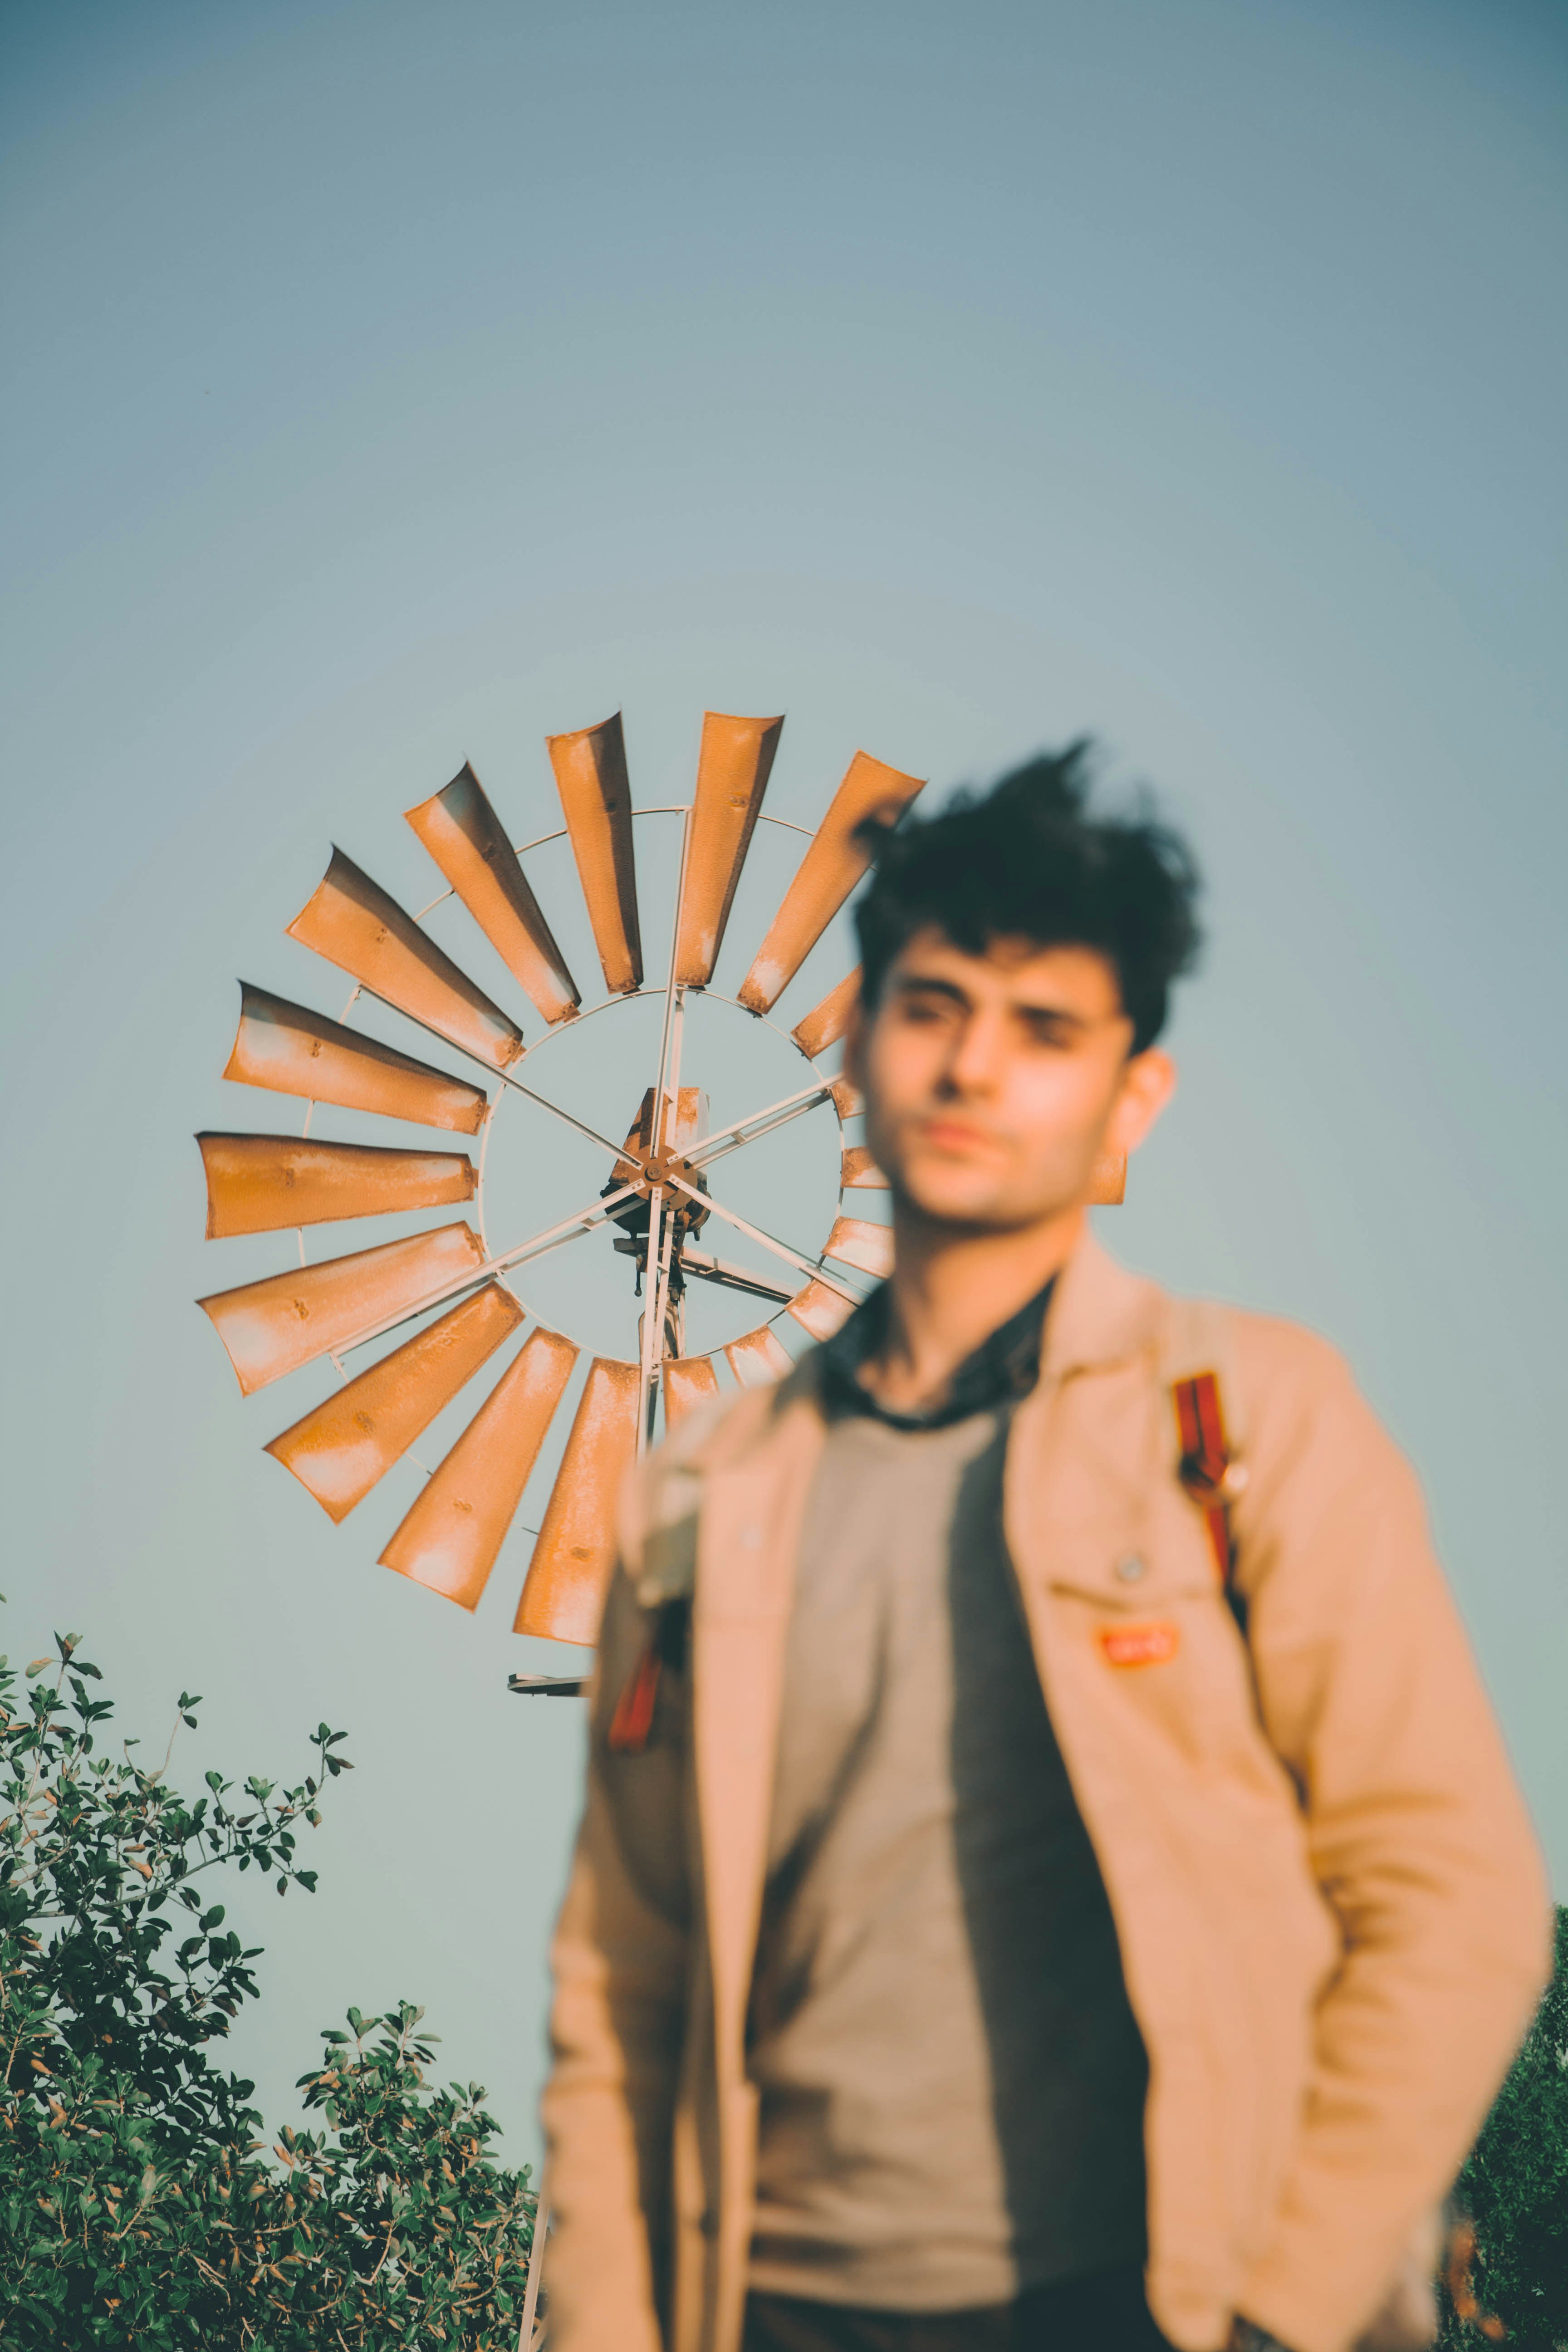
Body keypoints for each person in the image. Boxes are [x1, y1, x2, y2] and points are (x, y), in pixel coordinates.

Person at [540, 746, 1549, 2352]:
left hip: (1143, 2303)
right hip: (784, 2304)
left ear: (1131, 1095)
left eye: (1046, 1031)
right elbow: (620, 1993)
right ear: (859, 1044)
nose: (974, 1071)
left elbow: (1455, 1899)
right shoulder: (707, 1499)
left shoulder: (1242, 1424)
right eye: (933, 1009)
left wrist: (1283, 2311)